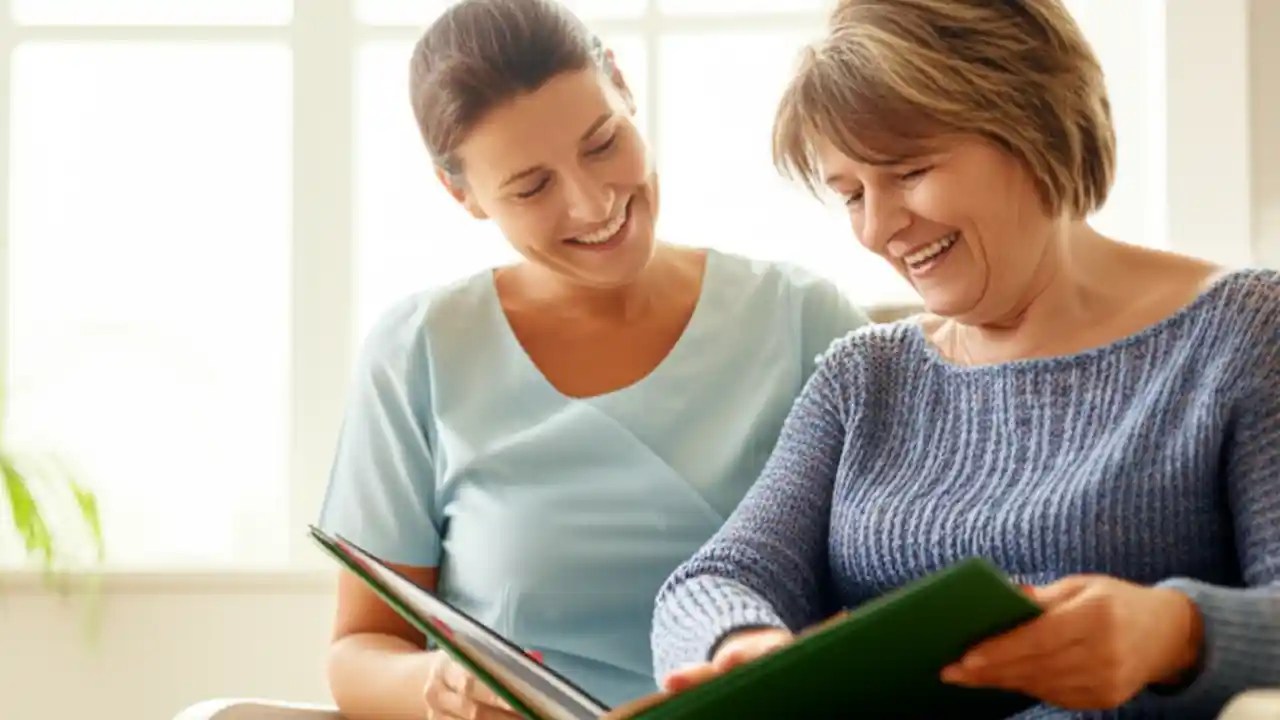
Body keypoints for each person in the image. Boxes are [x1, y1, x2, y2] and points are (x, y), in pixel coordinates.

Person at [650, 0, 1280, 717]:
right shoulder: (865, 377)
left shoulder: (1244, 333)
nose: (879, 228)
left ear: (1034, 125)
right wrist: (744, 646)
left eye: (909, 172)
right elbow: (713, 581)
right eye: (851, 194)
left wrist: (1179, 632)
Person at [313, 0, 868, 717]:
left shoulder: (803, 322)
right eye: (532, 187)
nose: (592, 202)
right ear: (462, 193)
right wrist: (439, 687)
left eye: (602, 144)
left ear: (622, 84)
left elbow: (905, 573)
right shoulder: (418, 352)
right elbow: (361, 647)